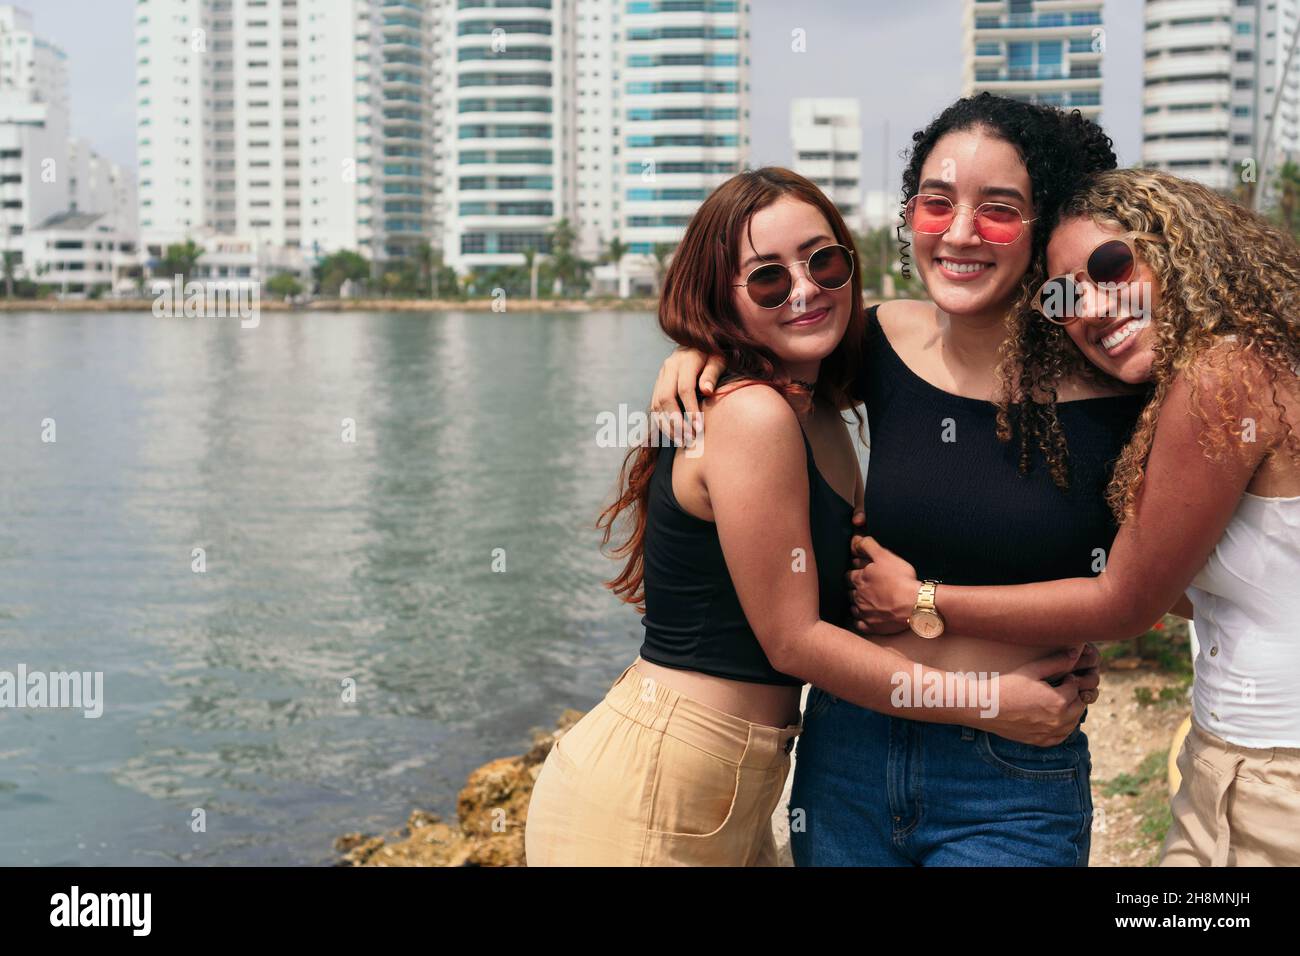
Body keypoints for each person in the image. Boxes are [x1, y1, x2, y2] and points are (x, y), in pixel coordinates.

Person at [523, 164, 1098, 868]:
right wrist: (988, 700)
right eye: (767, 278)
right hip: (654, 787)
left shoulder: (815, 405)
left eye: (825, 263)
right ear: (719, 294)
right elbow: (792, 643)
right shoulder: (753, 414)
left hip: (730, 788)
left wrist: (1010, 636)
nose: (806, 290)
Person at [649, 94, 1138, 866]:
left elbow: (1140, 596)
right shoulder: (875, 342)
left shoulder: (1116, 384)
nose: (961, 233)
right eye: (936, 204)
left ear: (1045, 224)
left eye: (1001, 210)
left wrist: (923, 602)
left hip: (1011, 771)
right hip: (849, 756)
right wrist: (697, 355)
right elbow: (768, 364)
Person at [848, 168, 1300, 867]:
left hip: (1275, 780)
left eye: (1111, 267)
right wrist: (696, 349)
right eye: (1062, 295)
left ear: (1180, 248)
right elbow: (1167, 582)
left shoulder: (1223, 376)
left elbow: (1123, 601)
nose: (1091, 305)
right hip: (1236, 763)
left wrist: (921, 601)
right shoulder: (1244, 364)